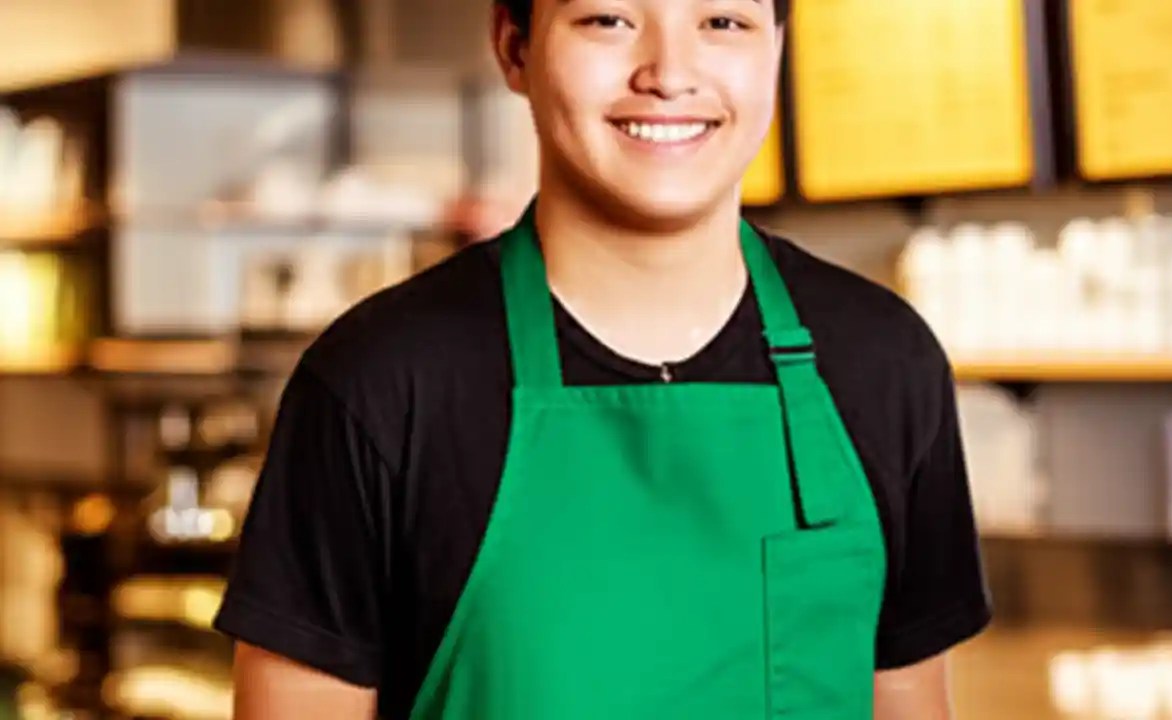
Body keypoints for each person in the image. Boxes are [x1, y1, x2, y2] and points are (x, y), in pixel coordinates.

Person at [215, 0, 992, 718]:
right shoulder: (377, 382)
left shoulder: (886, 364)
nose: (669, 73)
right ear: (513, 49)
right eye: (609, 19)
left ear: (777, 50)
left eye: (722, 21)